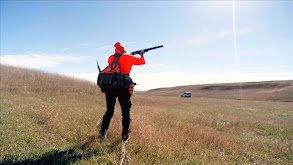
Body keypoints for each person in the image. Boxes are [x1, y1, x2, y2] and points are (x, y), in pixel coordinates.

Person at [99, 42, 145, 142]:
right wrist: (141, 54)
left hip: (110, 88)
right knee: (125, 113)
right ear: (124, 49)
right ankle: (125, 138)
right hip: (123, 88)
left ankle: (102, 134)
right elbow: (142, 62)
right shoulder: (128, 57)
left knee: (109, 112)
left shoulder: (111, 57)